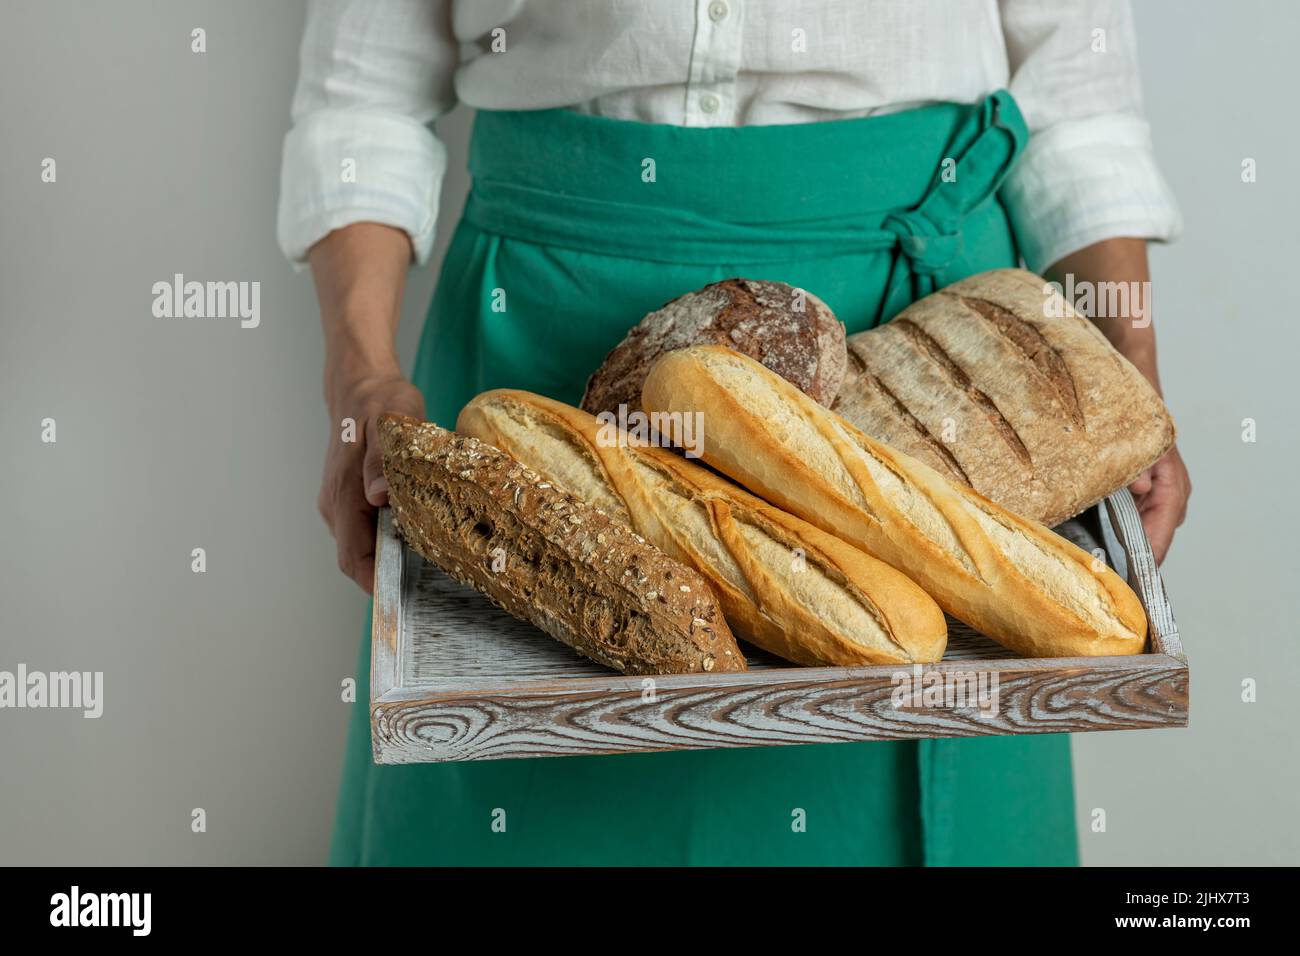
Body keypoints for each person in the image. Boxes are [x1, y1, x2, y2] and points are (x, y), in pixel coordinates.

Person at [277, 0, 1190, 866]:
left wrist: (1127, 387)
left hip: (926, 367)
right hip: (542, 342)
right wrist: (359, 372)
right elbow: (367, 88)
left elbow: (1078, 93)